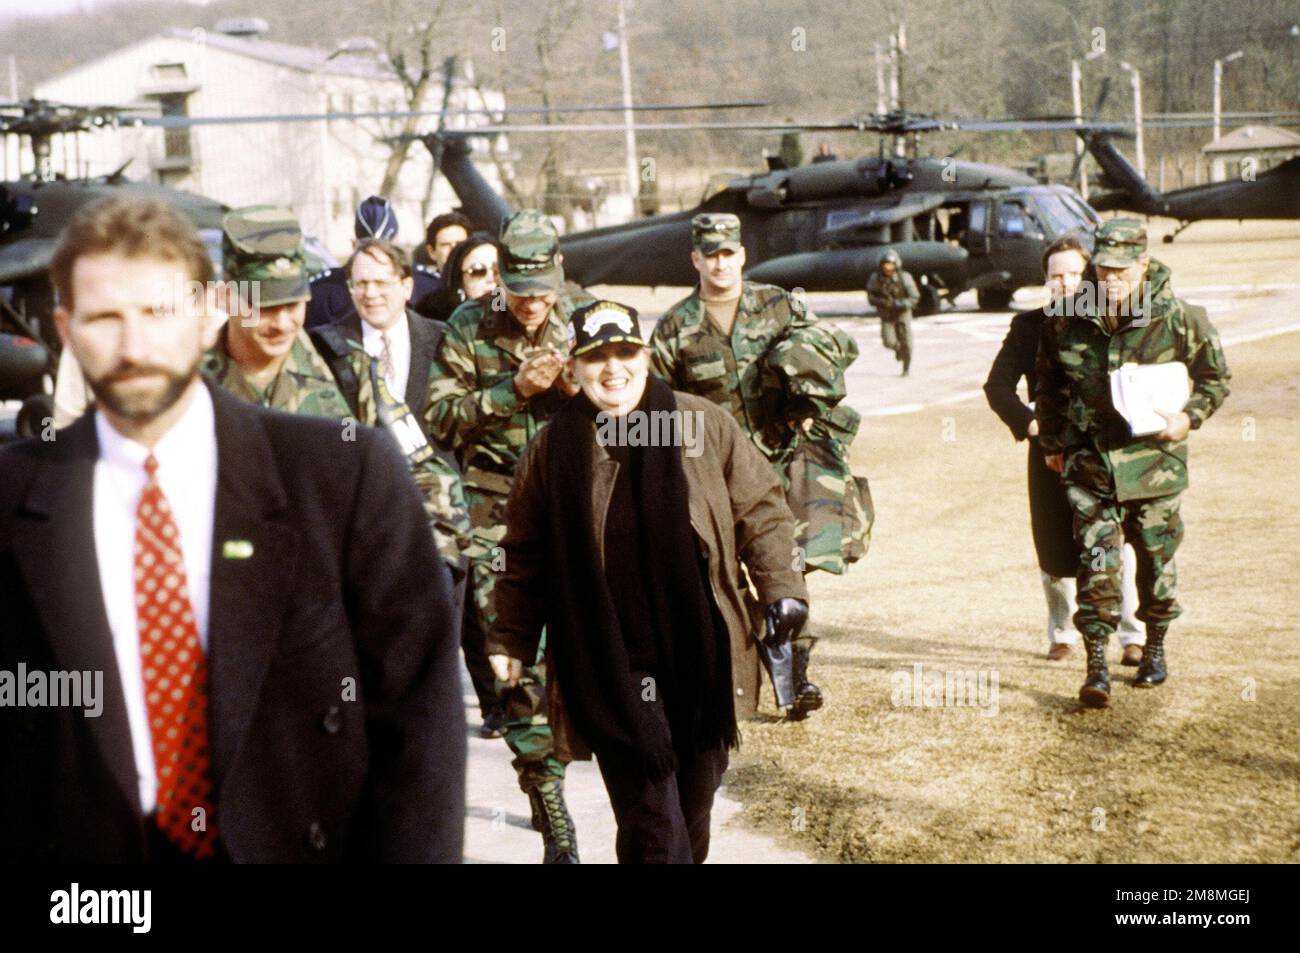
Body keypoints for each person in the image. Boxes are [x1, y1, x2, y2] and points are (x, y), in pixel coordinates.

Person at [0, 196, 465, 862]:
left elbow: (419, 723)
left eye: (159, 312)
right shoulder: (14, 500)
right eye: (106, 317)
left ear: (203, 315)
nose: (134, 346)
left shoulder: (341, 475)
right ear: (66, 330)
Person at [488, 299, 809, 864]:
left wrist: (781, 588)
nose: (613, 369)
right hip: (608, 664)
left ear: (645, 355)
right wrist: (510, 640)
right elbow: (523, 555)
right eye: (596, 357)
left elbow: (762, 508)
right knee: (655, 825)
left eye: (624, 352)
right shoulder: (553, 449)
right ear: (573, 366)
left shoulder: (699, 424)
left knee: (692, 813)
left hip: (699, 656)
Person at [426, 208, 594, 863]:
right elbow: (442, 416)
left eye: (542, 292)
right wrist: (512, 389)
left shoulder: (588, 318)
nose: (531, 305)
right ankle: (552, 806)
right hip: (495, 504)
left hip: (573, 498)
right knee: (511, 653)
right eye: (519, 293)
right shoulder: (469, 326)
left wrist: (579, 382)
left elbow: (627, 398)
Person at [650, 212, 853, 720]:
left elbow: (834, 352)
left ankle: (796, 671)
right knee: (723, 570)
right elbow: (653, 401)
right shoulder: (675, 327)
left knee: (785, 561)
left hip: (780, 459)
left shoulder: (780, 305)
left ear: (742, 255)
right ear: (695, 259)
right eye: (709, 254)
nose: (720, 263)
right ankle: (736, 669)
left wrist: (810, 398)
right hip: (712, 471)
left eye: (728, 253)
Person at [1036, 218, 1231, 707]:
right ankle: (1096, 664)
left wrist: (1189, 418)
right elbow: (1050, 387)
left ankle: (1154, 650)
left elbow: (1215, 378)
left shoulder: (1180, 317)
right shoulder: (1066, 317)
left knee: (1155, 561)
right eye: (1103, 269)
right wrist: (1054, 444)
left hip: (1155, 464)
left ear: (1144, 264)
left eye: (1122, 270)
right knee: (1096, 562)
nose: (1111, 280)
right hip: (1091, 465)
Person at [984, 234, 1145, 662]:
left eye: (1075, 273)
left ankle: (1132, 635)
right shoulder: (1028, 327)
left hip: (1104, 451)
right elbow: (997, 387)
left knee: (1116, 539)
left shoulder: (1113, 320)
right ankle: (1062, 633)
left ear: (1090, 276)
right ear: (1045, 280)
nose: (1066, 283)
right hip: (1051, 451)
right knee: (1054, 542)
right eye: (1056, 275)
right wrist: (1030, 423)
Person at [202, 206, 353, 418]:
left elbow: (362, 445)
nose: (282, 323)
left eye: (293, 304)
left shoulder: (347, 366)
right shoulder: (190, 383)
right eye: (264, 307)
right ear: (225, 298)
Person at [305, 195, 439, 329]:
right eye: (367, 250)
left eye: (384, 249)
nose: (371, 293)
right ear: (354, 245)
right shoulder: (322, 292)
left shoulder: (429, 286)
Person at [416, 231, 500, 323]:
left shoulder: (516, 319)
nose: (491, 279)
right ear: (459, 280)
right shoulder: (433, 321)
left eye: (498, 270)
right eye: (477, 271)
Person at [866, 248, 920, 376]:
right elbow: (871, 296)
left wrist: (898, 304)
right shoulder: (875, 279)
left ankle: (906, 368)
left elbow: (914, 297)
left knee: (907, 342)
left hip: (902, 313)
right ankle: (898, 349)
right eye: (885, 264)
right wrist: (881, 302)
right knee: (888, 341)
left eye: (890, 264)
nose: (888, 267)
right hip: (887, 314)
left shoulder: (905, 278)